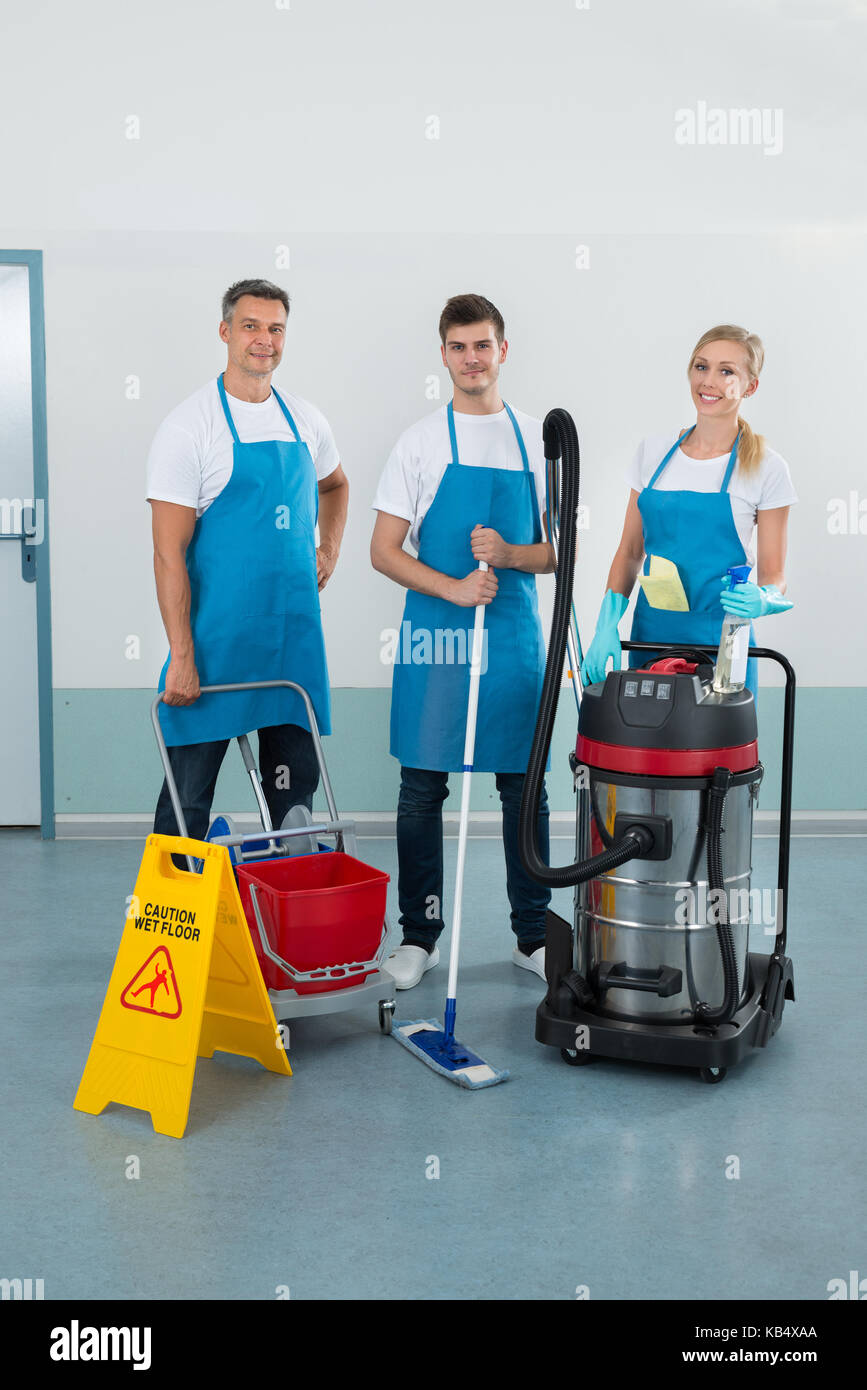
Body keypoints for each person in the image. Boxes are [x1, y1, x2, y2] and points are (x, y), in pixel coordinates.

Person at [371, 293, 553, 989]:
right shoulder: (418, 441)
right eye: (457, 347)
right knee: (421, 786)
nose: (471, 358)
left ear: (501, 350)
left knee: (521, 786)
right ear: (443, 354)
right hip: (435, 635)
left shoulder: (537, 439)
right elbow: (383, 550)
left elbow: (557, 554)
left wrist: (508, 555)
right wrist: (451, 587)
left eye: (482, 345)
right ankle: (419, 936)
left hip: (508, 636)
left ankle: (531, 936)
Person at [147, 277, 348, 843]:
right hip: (214, 653)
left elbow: (337, 486)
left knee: (296, 808)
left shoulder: (305, 420)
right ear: (225, 332)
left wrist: (327, 547)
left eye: (276, 328)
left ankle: (286, 921)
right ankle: (175, 922)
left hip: (291, 647)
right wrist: (182, 656)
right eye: (251, 326)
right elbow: (168, 555)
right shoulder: (191, 427)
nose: (265, 340)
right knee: (186, 802)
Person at [581, 325, 796, 697]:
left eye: (726, 371)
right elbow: (631, 552)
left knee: (715, 753)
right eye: (701, 366)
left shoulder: (766, 467)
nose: (709, 381)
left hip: (723, 643)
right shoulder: (653, 452)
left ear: (750, 386)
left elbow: (775, 576)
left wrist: (762, 599)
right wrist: (606, 624)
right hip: (649, 639)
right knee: (647, 751)